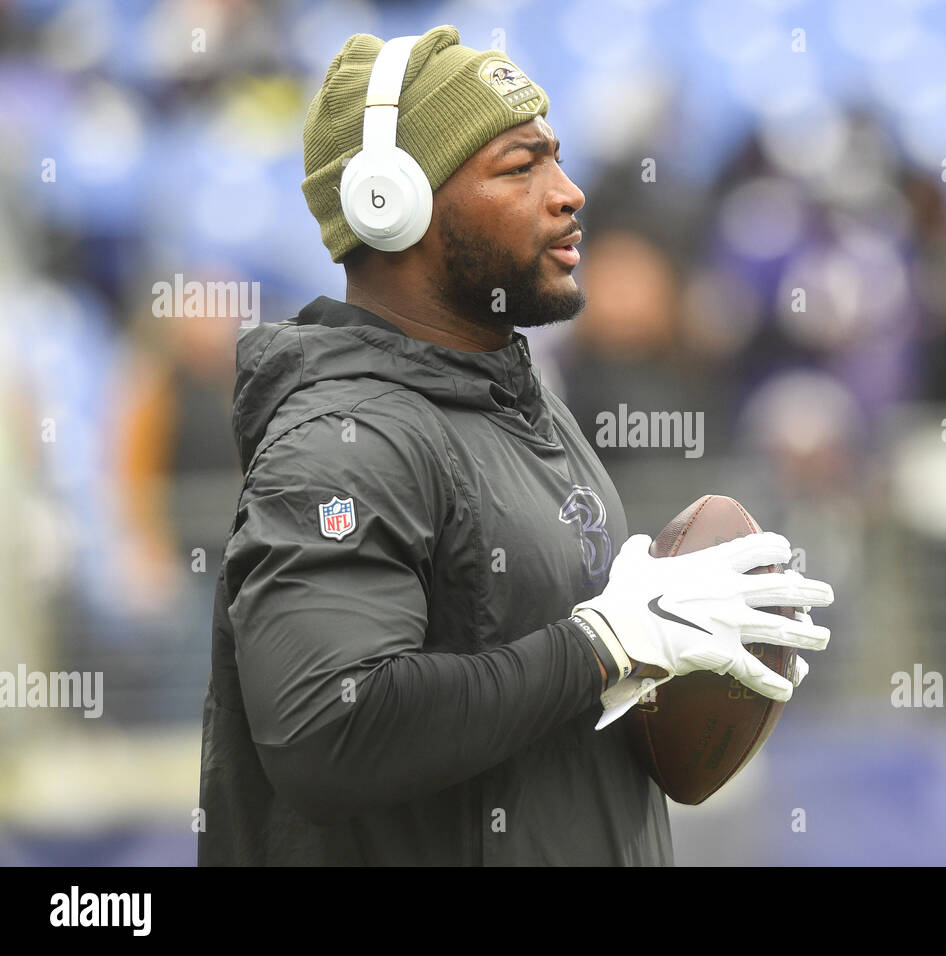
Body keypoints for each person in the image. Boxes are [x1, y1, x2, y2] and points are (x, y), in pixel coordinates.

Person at [197, 25, 834, 866]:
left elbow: (548, 701)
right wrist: (605, 646)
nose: (569, 193)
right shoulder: (343, 441)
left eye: (558, 159)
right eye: (519, 166)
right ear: (391, 205)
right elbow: (330, 726)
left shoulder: (521, 400)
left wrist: (670, 654)